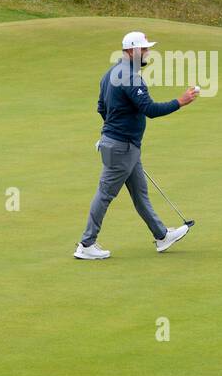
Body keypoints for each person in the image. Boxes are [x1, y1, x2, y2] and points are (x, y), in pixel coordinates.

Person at [74, 31, 198, 259]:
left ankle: (162, 236)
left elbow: (101, 108)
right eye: (144, 49)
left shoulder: (109, 73)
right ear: (132, 51)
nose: (148, 52)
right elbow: (150, 110)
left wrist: (112, 133)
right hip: (122, 148)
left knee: (140, 195)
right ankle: (86, 244)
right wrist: (180, 101)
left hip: (123, 146)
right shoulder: (130, 77)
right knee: (105, 194)